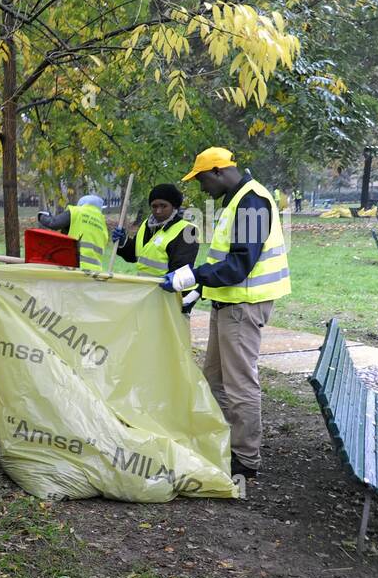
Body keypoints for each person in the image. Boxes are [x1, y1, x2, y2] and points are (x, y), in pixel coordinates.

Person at [162, 147, 291, 479]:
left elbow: (238, 266)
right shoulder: (237, 201)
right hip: (229, 303)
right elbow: (226, 260)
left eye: (203, 180)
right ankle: (222, 443)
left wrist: (192, 276)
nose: (202, 188)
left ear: (218, 172)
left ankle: (245, 459)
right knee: (216, 380)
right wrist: (200, 290)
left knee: (239, 385)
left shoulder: (251, 202)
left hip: (243, 307)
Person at [112, 183, 201, 313]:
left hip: (168, 300)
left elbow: (181, 271)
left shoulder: (187, 231)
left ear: (174, 206)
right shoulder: (146, 225)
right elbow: (135, 255)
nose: (158, 211)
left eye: (163, 206)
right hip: (144, 295)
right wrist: (123, 242)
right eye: (154, 206)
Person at [37, 194, 111, 272]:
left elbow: (53, 223)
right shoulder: (102, 224)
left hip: (74, 266)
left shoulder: (76, 212)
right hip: (94, 270)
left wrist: (42, 216)